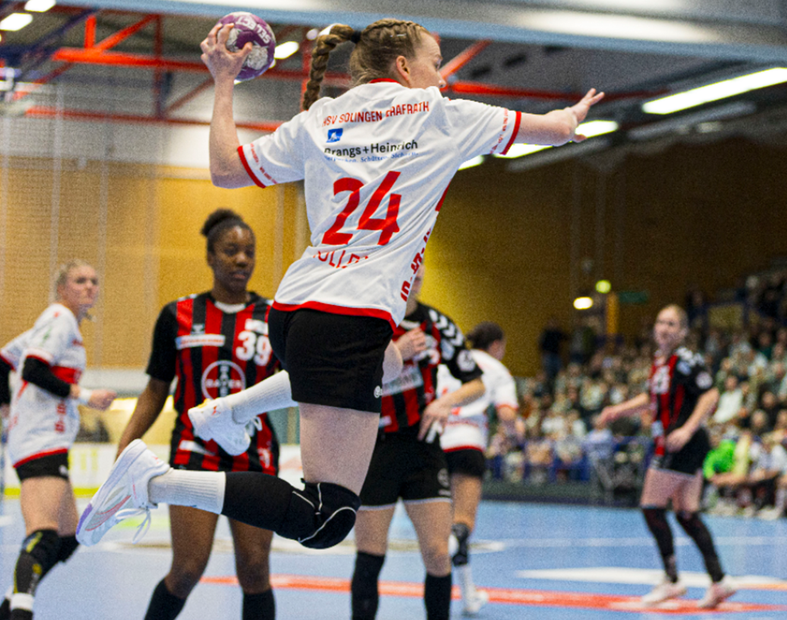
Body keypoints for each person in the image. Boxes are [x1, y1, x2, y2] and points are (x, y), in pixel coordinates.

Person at [78, 18, 603, 554]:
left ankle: (227, 410)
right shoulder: (444, 115)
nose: (441, 77)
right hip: (347, 323)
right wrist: (575, 114)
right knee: (325, 518)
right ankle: (153, 481)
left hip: (294, 311)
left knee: (393, 362)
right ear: (403, 66)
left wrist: (222, 83)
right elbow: (557, 129)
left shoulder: (321, 116)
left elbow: (225, 168)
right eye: (435, 61)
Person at [116, 210, 281, 620]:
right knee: (188, 568)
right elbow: (156, 390)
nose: (242, 260)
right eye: (230, 251)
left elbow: (296, 387)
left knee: (256, 569)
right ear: (209, 256)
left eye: (249, 252)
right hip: (194, 454)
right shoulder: (178, 315)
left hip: (255, 457)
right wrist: (126, 446)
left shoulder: (275, 317)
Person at [350, 271, 486, 620]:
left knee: (439, 554)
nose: (415, 275)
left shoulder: (437, 323)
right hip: (375, 448)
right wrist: (395, 351)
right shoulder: (368, 320)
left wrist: (446, 403)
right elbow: (346, 373)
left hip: (422, 448)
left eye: (420, 269)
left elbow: (476, 384)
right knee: (370, 556)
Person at [596, 305, 736, 609]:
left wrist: (686, 429)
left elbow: (710, 394)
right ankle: (719, 580)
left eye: (672, 324)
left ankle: (672, 580)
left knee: (650, 507)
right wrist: (617, 410)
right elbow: (652, 399)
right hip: (674, 441)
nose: (664, 328)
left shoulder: (686, 360)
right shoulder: (661, 362)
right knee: (686, 513)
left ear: (683, 332)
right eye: (661, 322)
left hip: (681, 443)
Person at [1, 261, 117, 620]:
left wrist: (8, 409)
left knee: (68, 538)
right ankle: (20, 611)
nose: (89, 287)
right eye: (79, 281)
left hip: (44, 438)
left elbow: (5, 359)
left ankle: (11, 602)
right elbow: (34, 369)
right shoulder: (59, 318)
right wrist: (85, 395)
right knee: (44, 534)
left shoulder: (52, 324)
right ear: (61, 288)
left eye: (94, 281)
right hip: (40, 439)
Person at [438, 321, 519, 614]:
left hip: (436, 445)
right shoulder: (497, 370)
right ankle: (445, 550)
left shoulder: (447, 363)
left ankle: (468, 594)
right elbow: (507, 414)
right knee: (462, 524)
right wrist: (516, 432)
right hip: (468, 445)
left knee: (451, 527)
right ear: (496, 345)